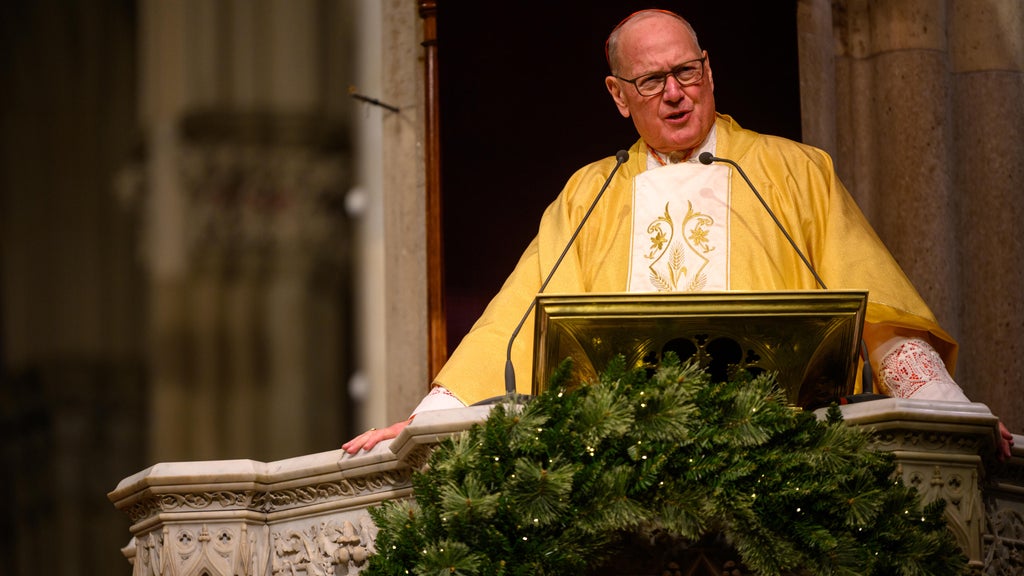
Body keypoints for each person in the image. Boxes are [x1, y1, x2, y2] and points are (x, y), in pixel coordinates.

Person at [343, 9, 1013, 459]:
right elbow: (512, 323)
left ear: (709, 70)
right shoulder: (592, 192)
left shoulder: (794, 172)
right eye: (652, 80)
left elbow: (878, 310)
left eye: (687, 72)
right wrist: (428, 422)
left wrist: (952, 415)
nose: (675, 93)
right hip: (622, 461)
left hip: (785, 455)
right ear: (617, 94)